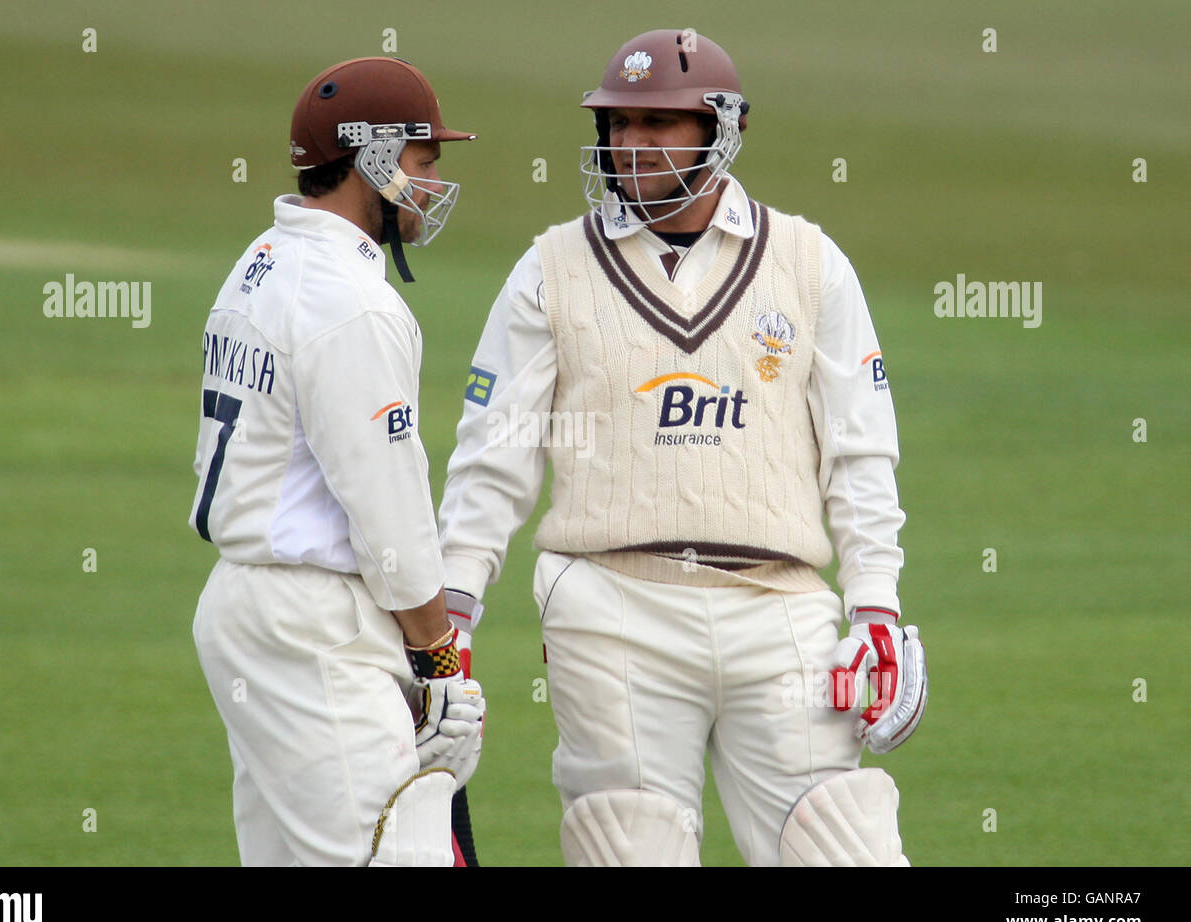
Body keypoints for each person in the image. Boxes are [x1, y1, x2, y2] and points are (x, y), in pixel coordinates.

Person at [439, 30, 927, 866]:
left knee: (845, 848)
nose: (630, 144)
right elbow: (496, 454)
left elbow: (860, 449)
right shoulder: (551, 268)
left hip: (780, 607)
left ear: (720, 130)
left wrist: (876, 603)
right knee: (629, 844)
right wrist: (451, 610)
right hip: (610, 605)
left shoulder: (810, 263)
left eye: (658, 123)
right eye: (617, 123)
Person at [189, 57, 485, 867]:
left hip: (248, 611)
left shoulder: (262, 261)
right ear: (377, 161)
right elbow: (386, 503)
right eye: (424, 162)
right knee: (394, 858)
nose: (431, 182)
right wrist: (438, 662)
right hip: (312, 626)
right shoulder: (351, 301)